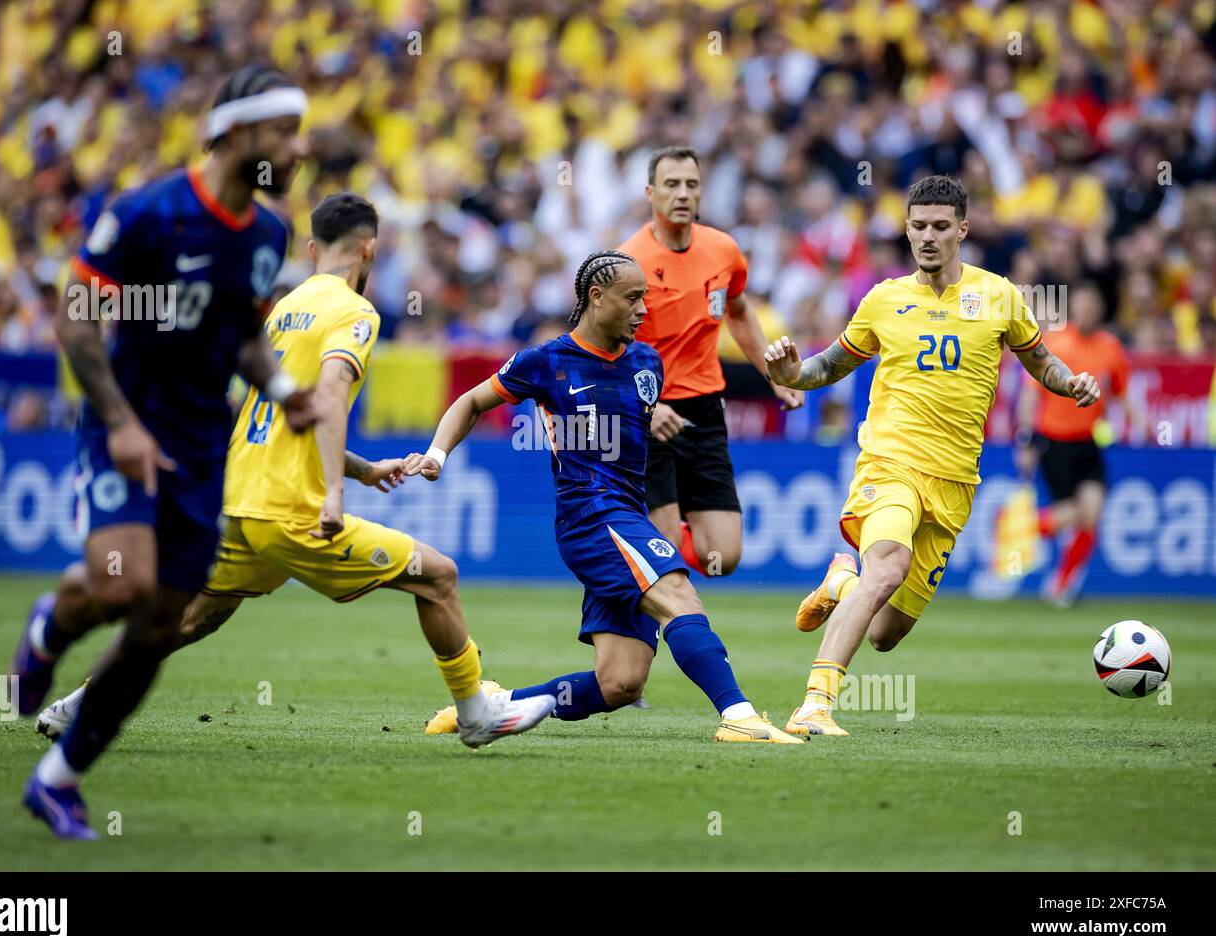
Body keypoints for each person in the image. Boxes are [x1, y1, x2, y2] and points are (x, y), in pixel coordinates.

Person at [34, 193, 555, 754]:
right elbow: (329, 397)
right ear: (371, 247)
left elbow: (272, 410)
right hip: (288, 509)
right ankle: (476, 711)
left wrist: (359, 470)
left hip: (240, 499)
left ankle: (83, 703)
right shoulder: (356, 312)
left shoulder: (281, 309)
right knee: (438, 576)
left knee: (190, 618)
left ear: (312, 248)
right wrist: (333, 493)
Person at [9, 66, 320, 839]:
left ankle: (58, 779)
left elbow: (244, 332)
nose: (297, 148)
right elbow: (75, 319)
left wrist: (281, 387)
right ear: (239, 133)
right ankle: (52, 627)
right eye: (284, 132)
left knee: (157, 624)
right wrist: (117, 420)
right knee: (124, 585)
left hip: (200, 444)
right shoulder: (150, 213)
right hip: (126, 425)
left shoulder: (269, 234)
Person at [406, 250, 803, 744]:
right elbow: (471, 401)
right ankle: (740, 717)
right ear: (596, 298)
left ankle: (491, 705)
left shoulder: (646, 361)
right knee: (679, 595)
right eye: (633, 298)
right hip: (590, 515)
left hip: (626, 513)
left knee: (619, 682)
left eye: (646, 299)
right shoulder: (546, 360)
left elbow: (640, 425)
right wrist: (437, 456)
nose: (643, 310)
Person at [766, 176, 1101, 738]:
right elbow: (830, 365)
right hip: (890, 462)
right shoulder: (883, 299)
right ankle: (815, 703)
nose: (927, 236)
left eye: (940, 227)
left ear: (962, 230)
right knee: (890, 564)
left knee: (885, 632)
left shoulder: (1000, 296)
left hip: (954, 481)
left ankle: (840, 582)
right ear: (906, 228)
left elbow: (1042, 362)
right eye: (918, 225)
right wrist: (791, 374)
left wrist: (1071, 384)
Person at [617, 146, 803, 578]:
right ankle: (659, 584)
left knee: (724, 557)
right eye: (671, 185)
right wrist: (648, 405)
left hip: (704, 408)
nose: (682, 194)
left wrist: (772, 375)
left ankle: (659, 539)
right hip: (649, 412)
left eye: (691, 185)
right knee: (662, 562)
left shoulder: (723, 251)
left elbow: (737, 312)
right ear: (650, 192)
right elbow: (608, 349)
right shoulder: (628, 263)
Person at [1015, 284, 1129, 605]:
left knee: (1091, 512)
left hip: (1089, 441)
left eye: (1093, 306)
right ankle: (1018, 532)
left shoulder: (1111, 347)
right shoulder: (1055, 342)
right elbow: (1029, 392)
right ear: (1074, 309)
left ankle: (1061, 585)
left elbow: (1121, 395)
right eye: (1082, 305)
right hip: (1055, 442)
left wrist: (1146, 428)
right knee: (1071, 513)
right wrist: (1026, 438)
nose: (1087, 312)